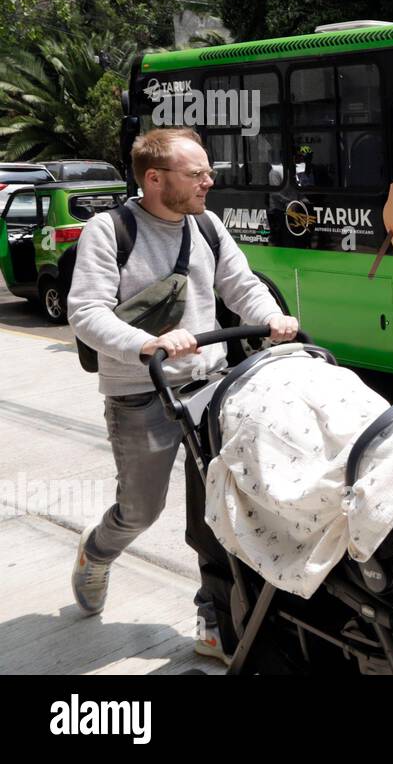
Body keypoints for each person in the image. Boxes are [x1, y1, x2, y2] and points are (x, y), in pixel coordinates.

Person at [67, 127, 298, 664]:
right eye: (196, 173)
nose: (209, 181)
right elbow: (85, 313)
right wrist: (148, 342)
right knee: (140, 511)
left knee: (221, 513)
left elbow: (240, 286)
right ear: (154, 179)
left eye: (207, 172)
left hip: (211, 388)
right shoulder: (110, 230)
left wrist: (270, 318)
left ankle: (212, 618)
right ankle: (96, 553)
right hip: (140, 394)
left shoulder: (208, 225)